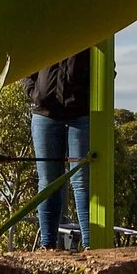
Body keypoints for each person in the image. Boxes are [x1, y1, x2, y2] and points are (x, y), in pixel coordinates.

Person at [25, 50, 93, 250]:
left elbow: (108, 70)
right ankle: (47, 245)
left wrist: (85, 94)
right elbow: (28, 67)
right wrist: (35, 92)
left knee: (81, 180)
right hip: (45, 115)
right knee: (48, 182)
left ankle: (91, 245)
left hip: (81, 116)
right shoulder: (48, 34)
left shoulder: (89, 33)